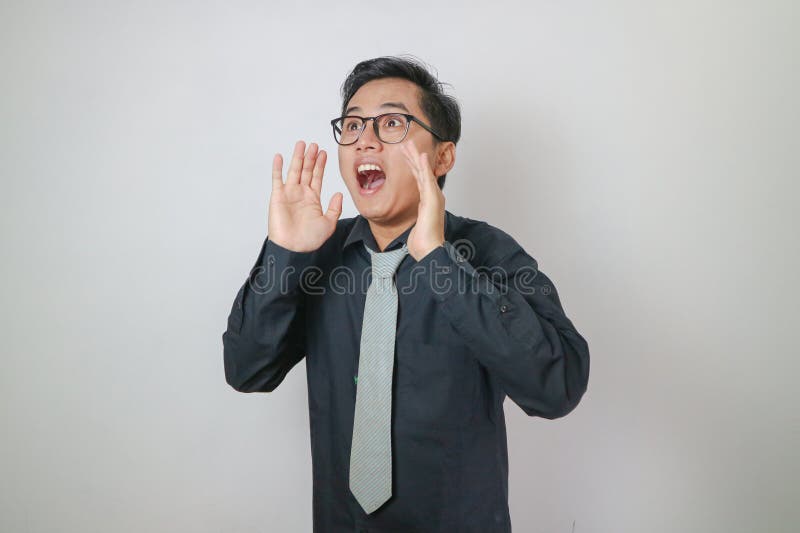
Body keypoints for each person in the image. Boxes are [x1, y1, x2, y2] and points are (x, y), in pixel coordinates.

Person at [222, 56, 590, 532]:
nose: (365, 140)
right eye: (353, 125)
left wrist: (439, 260)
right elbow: (247, 370)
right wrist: (285, 254)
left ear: (443, 157)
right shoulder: (317, 254)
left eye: (392, 122)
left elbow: (556, 387)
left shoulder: (488, 252)